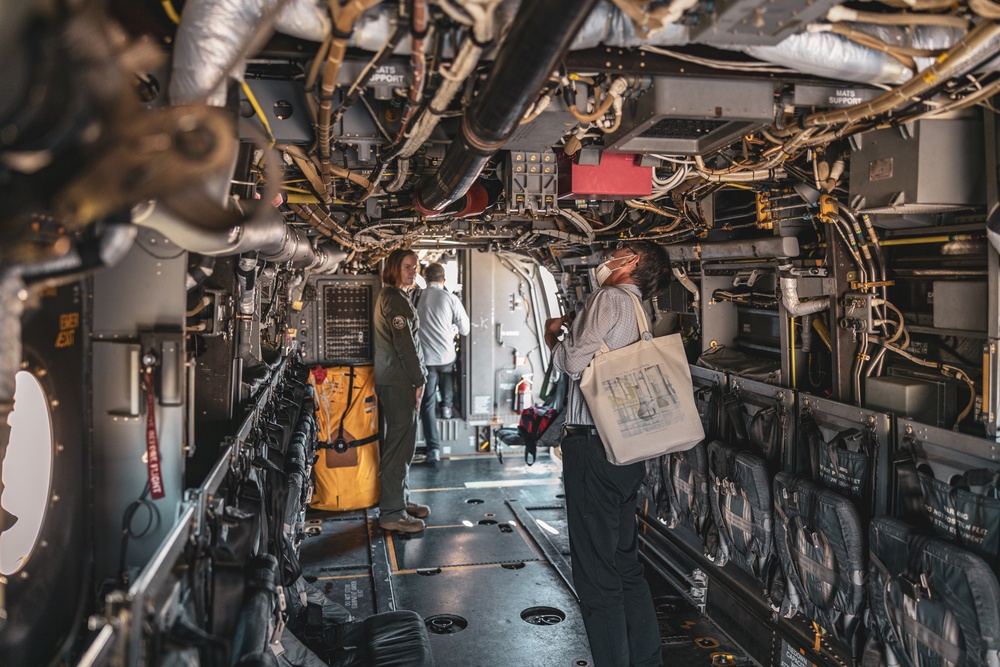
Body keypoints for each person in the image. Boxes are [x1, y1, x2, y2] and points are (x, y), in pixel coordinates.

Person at [544, 240, 672, 667]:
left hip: (593, 449)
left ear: (632, 262)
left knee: (598, 578)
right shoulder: (639, 310)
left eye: (621, 249)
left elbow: (570, 361)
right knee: (624, 566)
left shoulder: (609, 298)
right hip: (627, 449)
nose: (611, 255)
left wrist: (553, 337)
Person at [373, 249, 431, 533]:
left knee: (404, 444)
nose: (413, 271)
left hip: (396, 379)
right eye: (407, 267)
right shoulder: (394, 299)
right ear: (394, 269)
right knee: (398, 446)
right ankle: (392, 513)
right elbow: (406, 346)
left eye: (415, 267)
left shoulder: (396, 297)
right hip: (399, 381)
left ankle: (400, 500)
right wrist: (419, 379)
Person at [416, 262, 470, 463]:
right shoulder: (450, 298)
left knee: (427, 404)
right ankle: (447, 406)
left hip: (426, 359)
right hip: (446, 357)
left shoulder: (417, 297)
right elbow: (465, 330)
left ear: (426, 278)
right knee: (448, 371)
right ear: (443, 280)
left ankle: (434, 449)